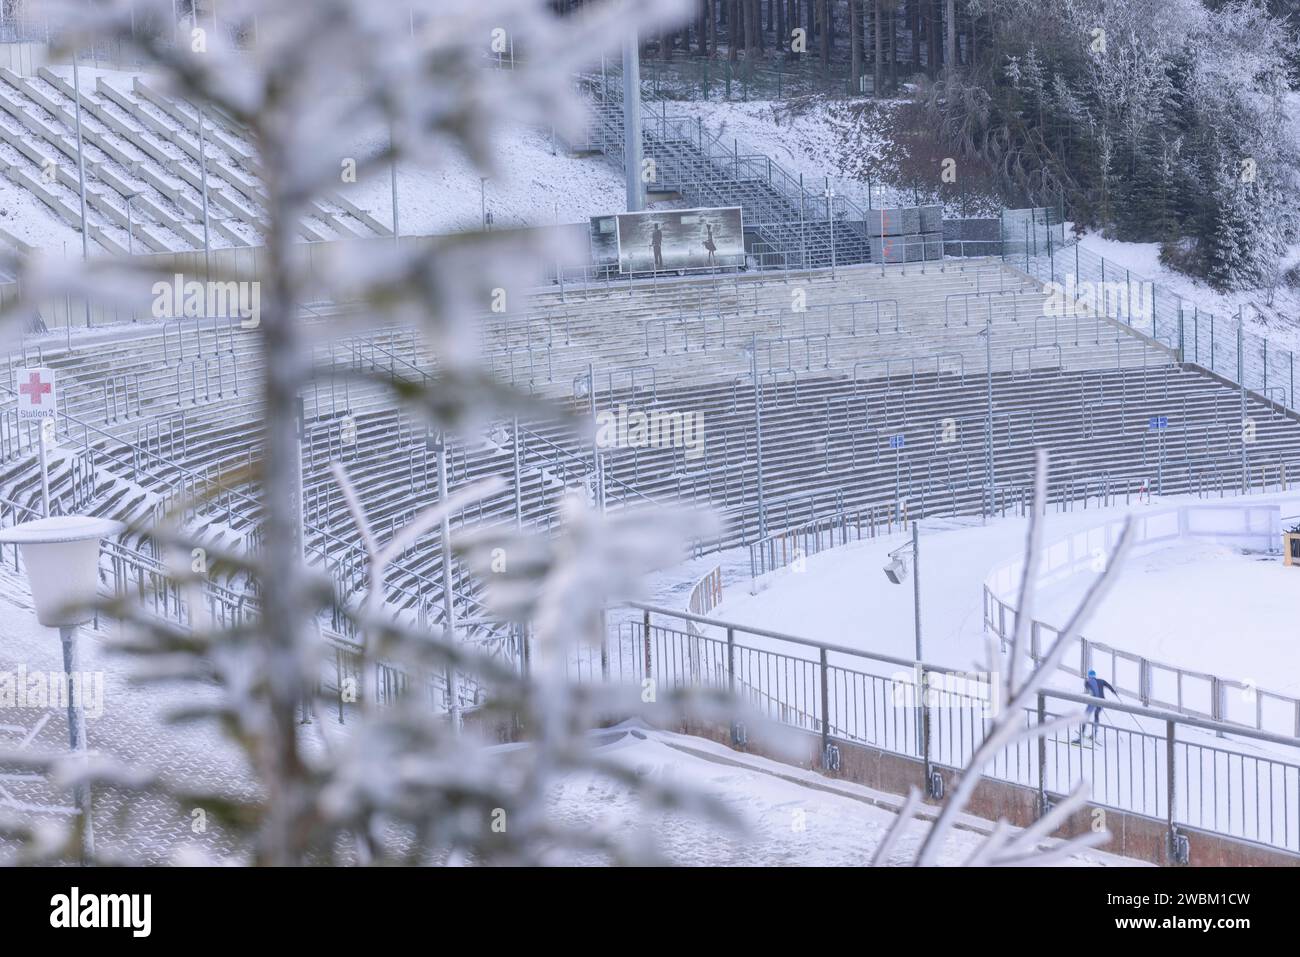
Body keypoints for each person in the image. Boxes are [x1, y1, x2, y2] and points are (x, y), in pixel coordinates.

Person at [1079, 669, 1117, 742]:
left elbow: (1087, 688)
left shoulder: (1088, 681)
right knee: (1096, 715)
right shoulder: (1101, 681)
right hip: (1102, 701)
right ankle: (1094, 734)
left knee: (1085, 716)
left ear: (1089, 676)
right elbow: (1109, 685)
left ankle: (1082, 734)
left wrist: (1086, 683)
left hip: (1094, 701)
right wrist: (1113, 691)